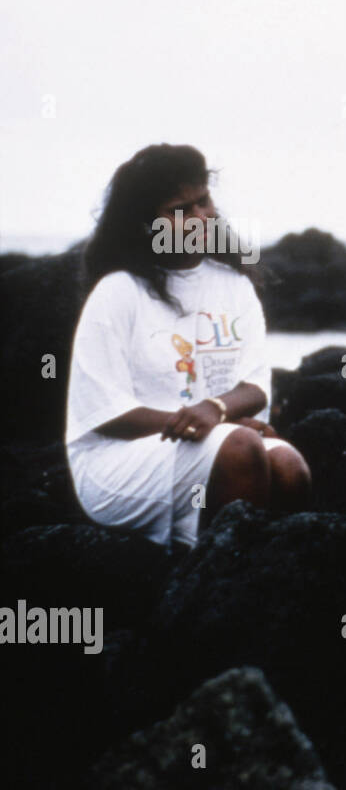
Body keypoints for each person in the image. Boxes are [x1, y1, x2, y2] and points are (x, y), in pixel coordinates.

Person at [65, 143, 311, 552]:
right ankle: (215, 586)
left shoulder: (233, 285)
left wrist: (214, 412)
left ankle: (248, 573)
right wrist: (212, 424)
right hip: (117, 461)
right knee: (240, 448)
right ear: (146, 224)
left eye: (204, 202)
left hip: (213, 442)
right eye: (180, 211)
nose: (200, 217)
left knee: (288, 466)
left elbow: (255, 389)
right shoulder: (118, 292)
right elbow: (105, 414)